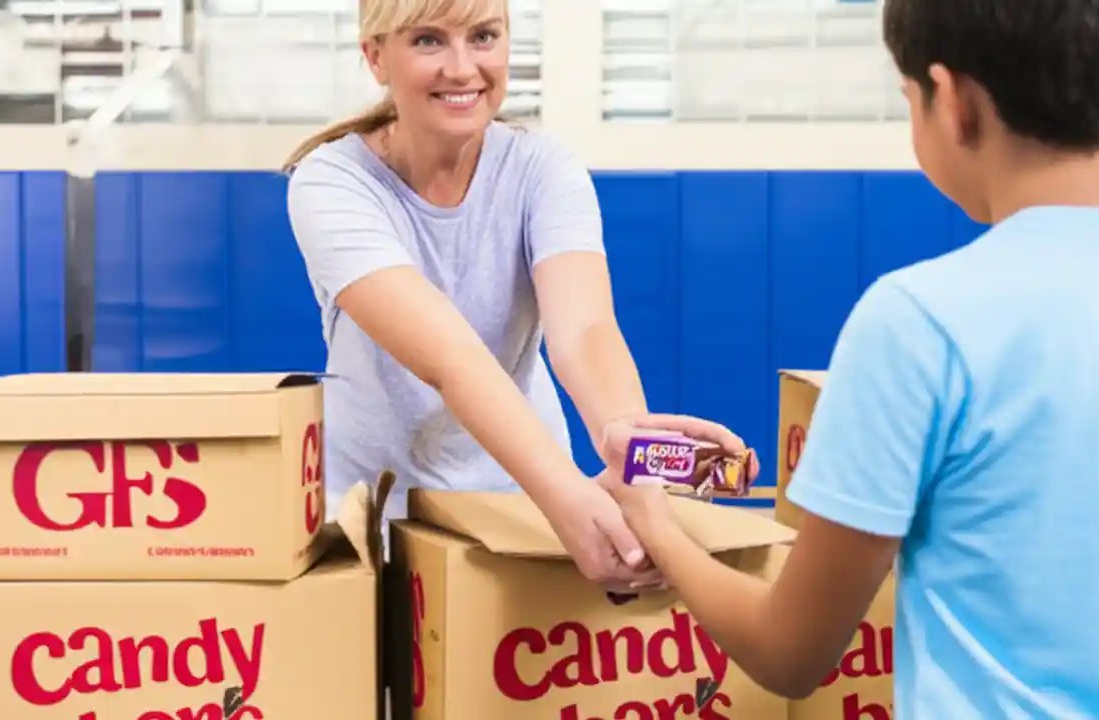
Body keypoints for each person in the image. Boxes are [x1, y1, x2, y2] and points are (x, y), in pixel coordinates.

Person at [607, 0, 1099, 716]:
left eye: (910, 100)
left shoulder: (920, 322)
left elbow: (790, 652)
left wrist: (653, 520)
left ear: (956, 102)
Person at [283, 0, 754, 594]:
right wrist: (566, 493)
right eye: (429, 41)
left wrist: (630, 447)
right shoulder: (331, 182)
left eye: (483, 36)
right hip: (374, 512)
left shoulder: (542, 168)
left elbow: (584, 331)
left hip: (517, 504)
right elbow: (450, 357)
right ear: (376, 57)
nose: (462, 68)